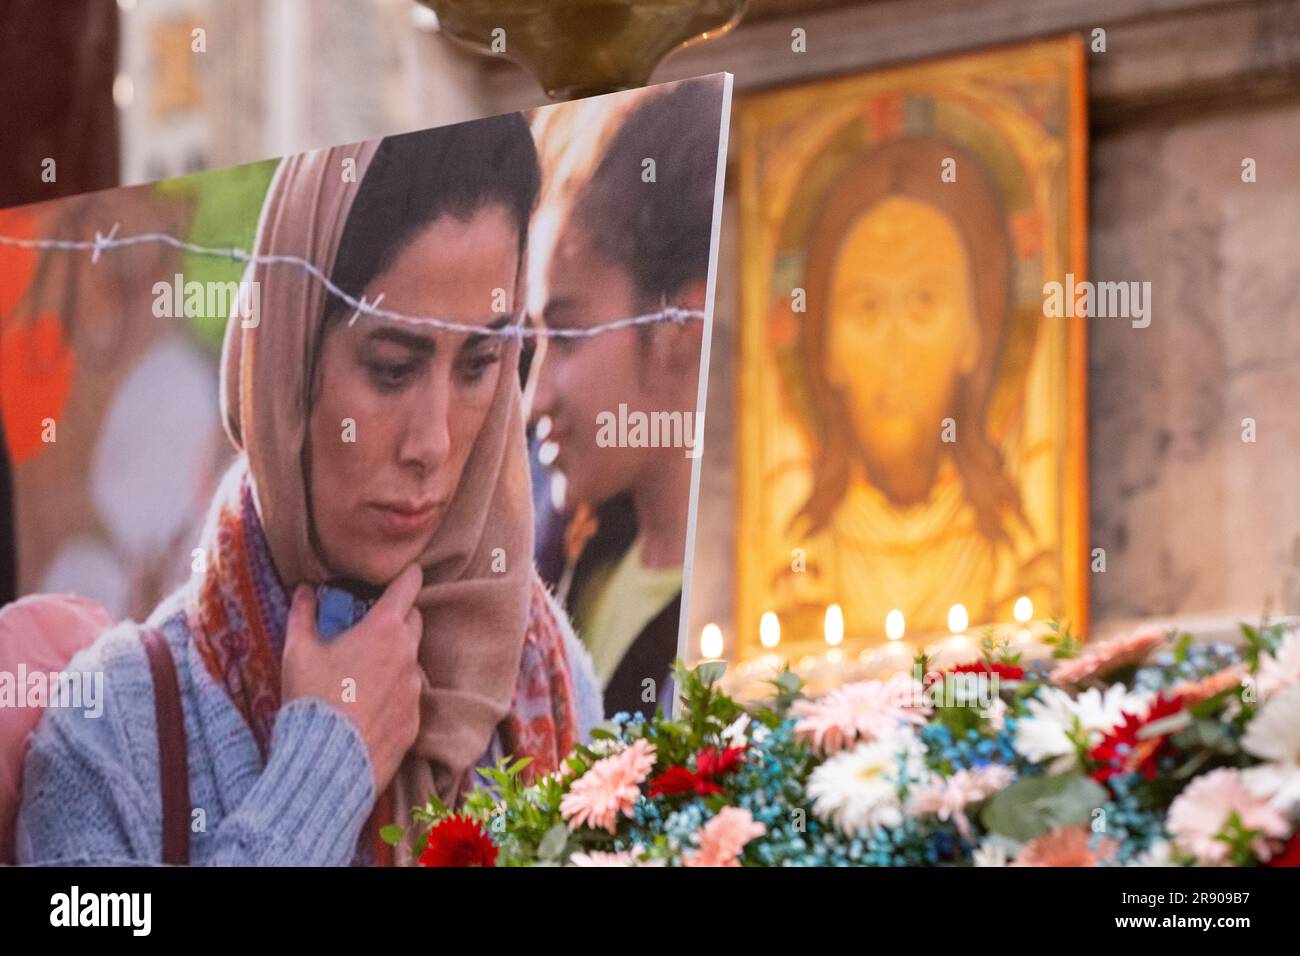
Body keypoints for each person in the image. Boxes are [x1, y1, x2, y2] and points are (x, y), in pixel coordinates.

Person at [15, 115, 600, 866]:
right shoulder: (109, 738)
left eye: (479, 364)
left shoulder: (551, 680)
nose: (433, 443)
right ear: (286, 358)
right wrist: (320, 776)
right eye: (392, 367)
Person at [769, 136, 1053, 638]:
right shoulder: (799, 569)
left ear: (974, 336)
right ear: (826, 349)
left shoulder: (1019, 561)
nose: (894, 350)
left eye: (924, 301)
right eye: (866, 307)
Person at [529, 79, 721, 718]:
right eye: (536, 341)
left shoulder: (737, 610)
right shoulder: (563, 573)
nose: (533, 403)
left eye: (569, 334)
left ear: (680, 327)